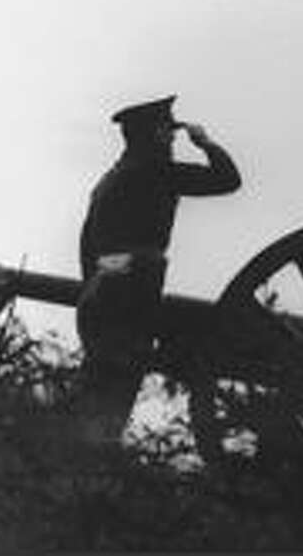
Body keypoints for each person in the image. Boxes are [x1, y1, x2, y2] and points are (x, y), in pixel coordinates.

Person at [75, 95, 242, 449]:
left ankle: (80, 457)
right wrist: (206, 143)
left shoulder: (112, 179)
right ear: (154, 134)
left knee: (97, 390)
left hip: (102, 296)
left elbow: (91, 247)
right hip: (132, 296)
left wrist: (98, 283)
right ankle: (90, 461)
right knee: (114, 392)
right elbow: (228, 180)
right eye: (168, 131)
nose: (172, 138)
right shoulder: (155, 172)